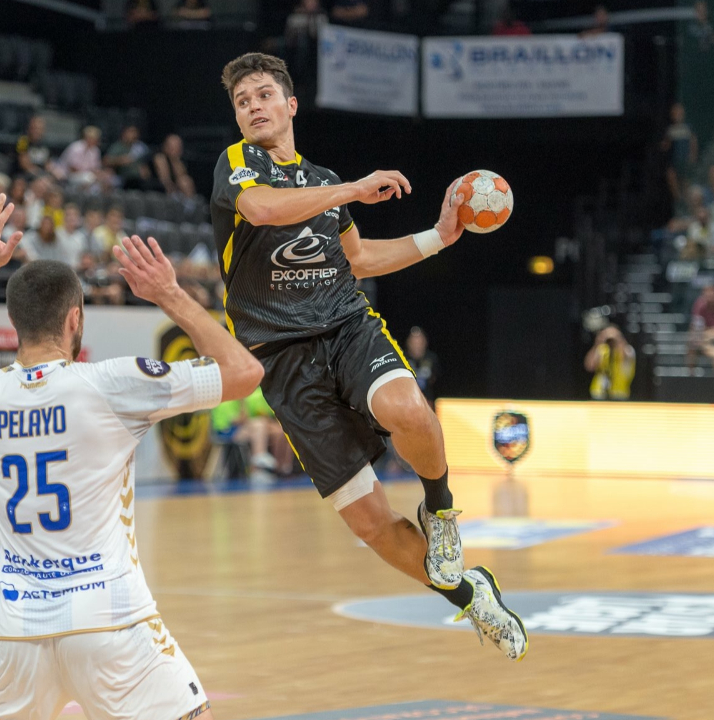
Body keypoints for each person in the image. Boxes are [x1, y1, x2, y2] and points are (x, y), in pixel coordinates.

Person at [0, 194, 264, 719]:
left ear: (15, 322)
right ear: (76, 319)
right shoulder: (111, 384)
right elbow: (244, 372)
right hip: (111, 625)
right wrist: (170, 295)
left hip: (19, 636)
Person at [210, 53, 526, 659]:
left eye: (263, 95)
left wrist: (439, 237)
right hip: (281, 360)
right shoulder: (239, 165)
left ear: (290, 105)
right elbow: (263, 210)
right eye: (242, 100)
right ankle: (470, 597)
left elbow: (359, 260)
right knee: (370, 524)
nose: (252, 106)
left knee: (407, 407)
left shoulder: (324, 181)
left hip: (345, 325)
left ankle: (441, 513)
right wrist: (355, 187)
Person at [585, 325, 635, 400]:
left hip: (619, 394)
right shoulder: (602, 350)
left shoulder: (627, 350)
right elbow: (590, 366)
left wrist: (618, 339)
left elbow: (624, 356)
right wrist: (598, 342)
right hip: (599, 393)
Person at [405, 327, 441, 407]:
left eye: (419, 342)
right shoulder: (402, 359)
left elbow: (436, 379)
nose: (417, 346)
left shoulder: (432, 358)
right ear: (408, 343)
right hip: (407, 402)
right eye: (414, 343)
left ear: (425, 342)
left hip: (428, 402)